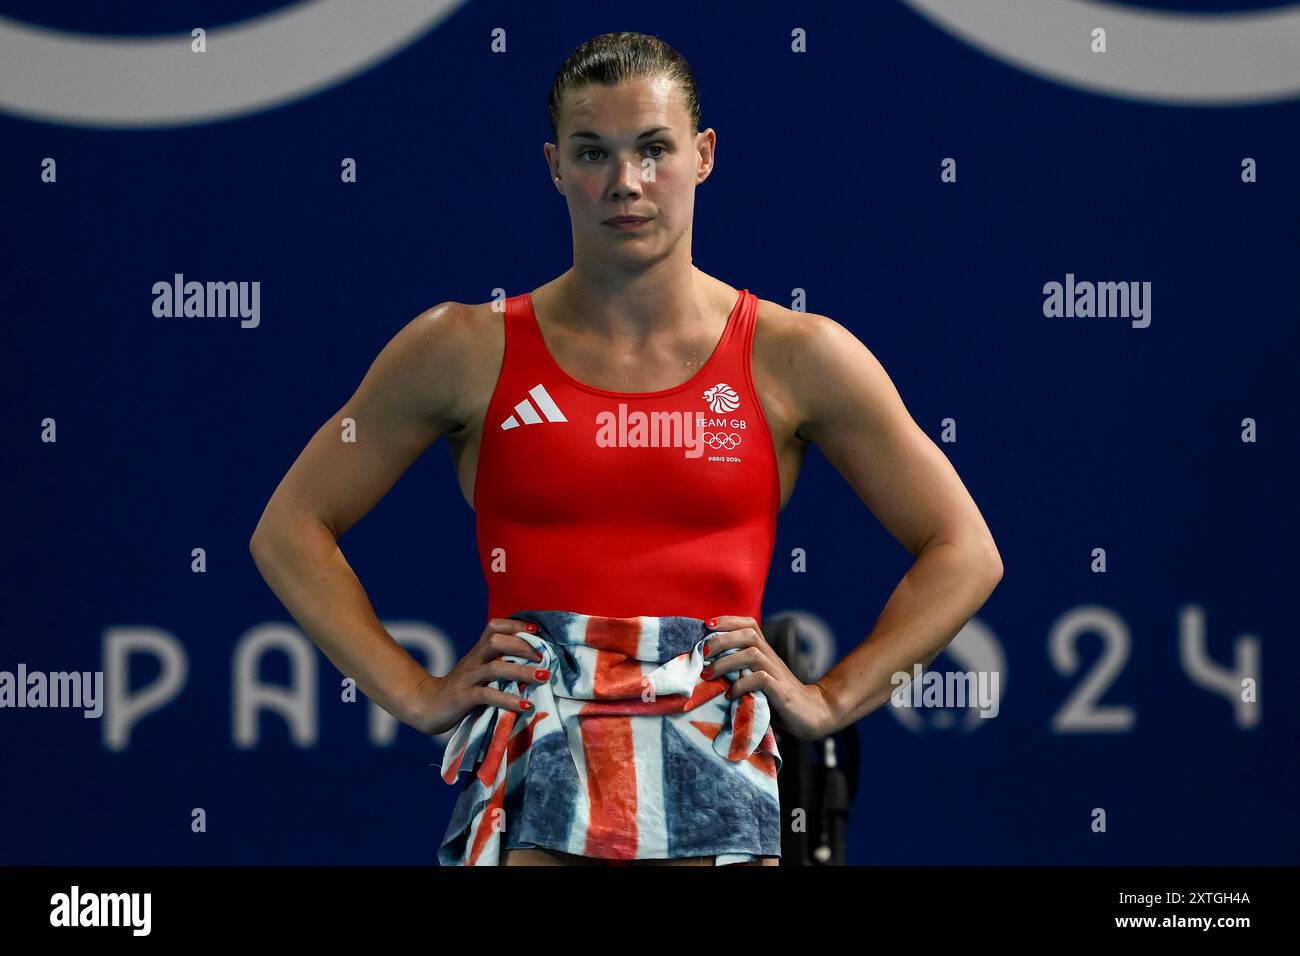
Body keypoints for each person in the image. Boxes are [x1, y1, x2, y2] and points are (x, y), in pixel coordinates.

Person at [249, 32, 1003, 867]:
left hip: (721, 766)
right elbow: (290, 529)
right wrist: (416, 692)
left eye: (653, 149)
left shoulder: (794, 355)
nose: (626, 183)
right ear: (553, 165)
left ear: (704, 155)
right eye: (593, 153)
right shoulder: (463, 347)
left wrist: (828, 700)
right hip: (539, 762)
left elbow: (965, 551)